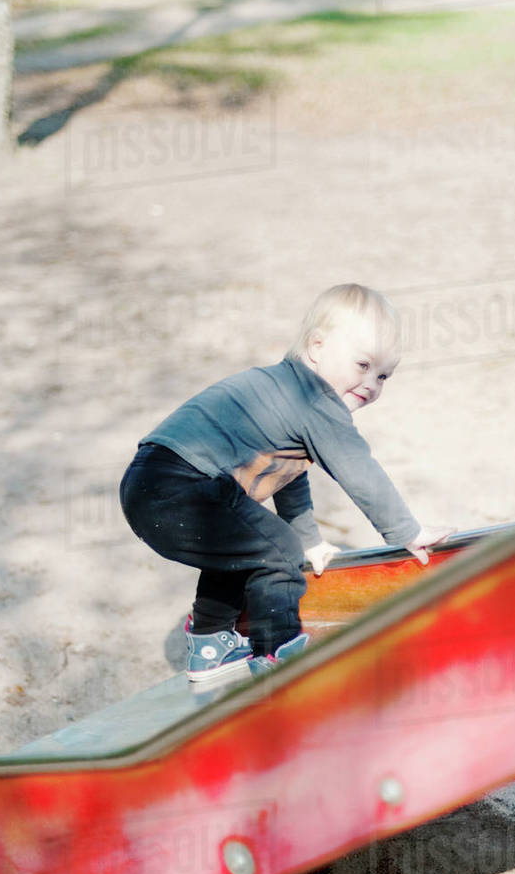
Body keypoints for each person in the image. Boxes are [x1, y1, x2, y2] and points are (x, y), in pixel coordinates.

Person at [120, 284, 448, 684]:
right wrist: (406, 532)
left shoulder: (283, 392)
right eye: (362, 366)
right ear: (316, 348)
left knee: (246, 544)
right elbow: (359, 470)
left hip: (150, 483)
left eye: (383, 375)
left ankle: (210, 646)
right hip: (179, 483)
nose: (372, 384)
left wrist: (310, 540)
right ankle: (278, 654)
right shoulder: (313, 399)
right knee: (277, 550)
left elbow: (286, 475)